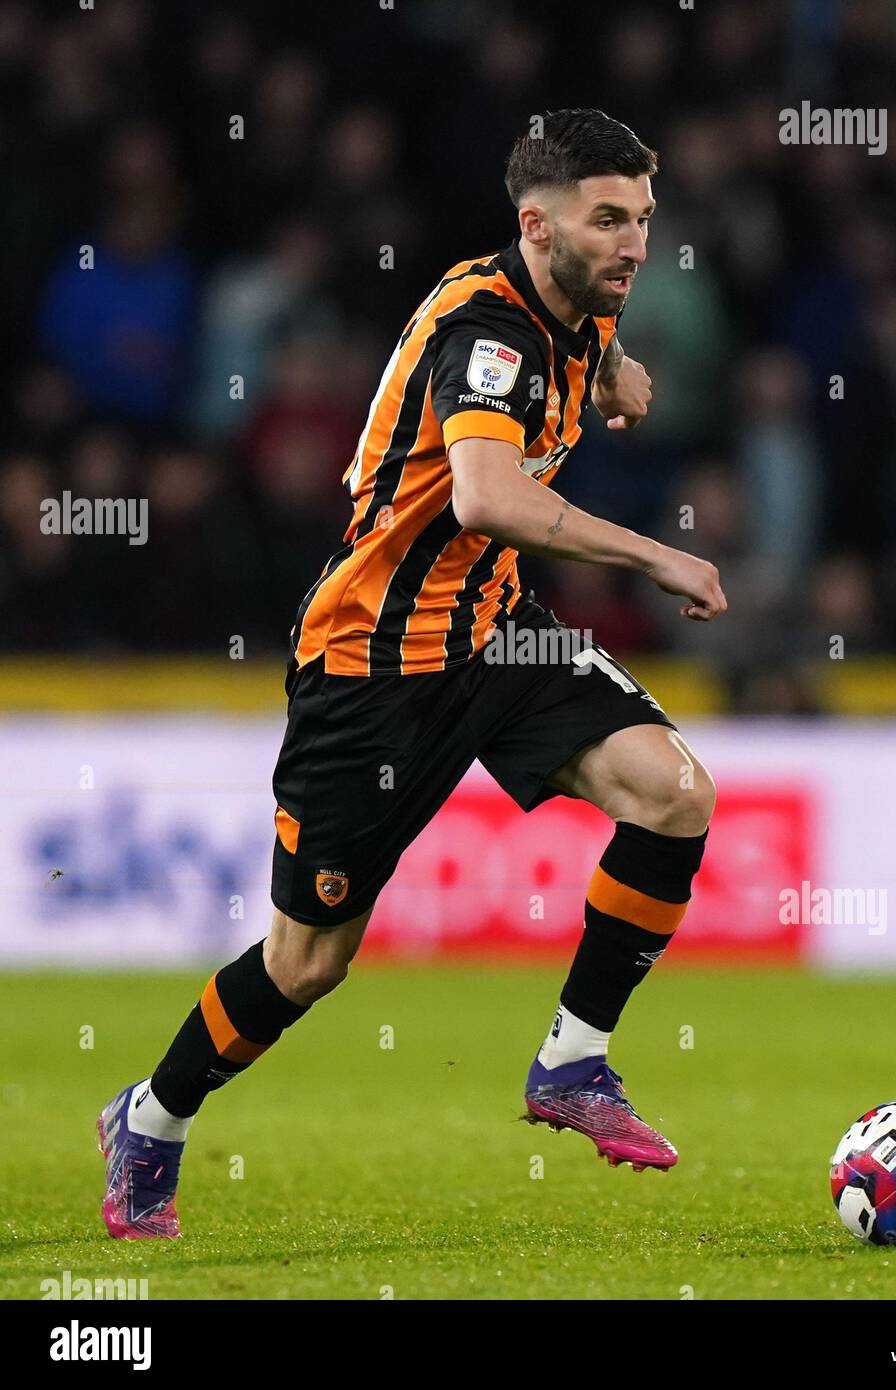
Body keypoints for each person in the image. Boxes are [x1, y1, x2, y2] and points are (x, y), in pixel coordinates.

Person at [97, 108, 725, 1238]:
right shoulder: (484, 330)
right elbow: (486, 496)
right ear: (537, 226)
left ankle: (571, 1064)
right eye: (608, 219)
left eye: (642, 217)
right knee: (307, 961)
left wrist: (618, 374)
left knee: (673, 792)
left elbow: (588, 363)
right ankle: (150, 1117)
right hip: (371, 665)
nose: (634, 243)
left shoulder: (580, 306)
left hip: (493, 634)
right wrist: (651, 553)